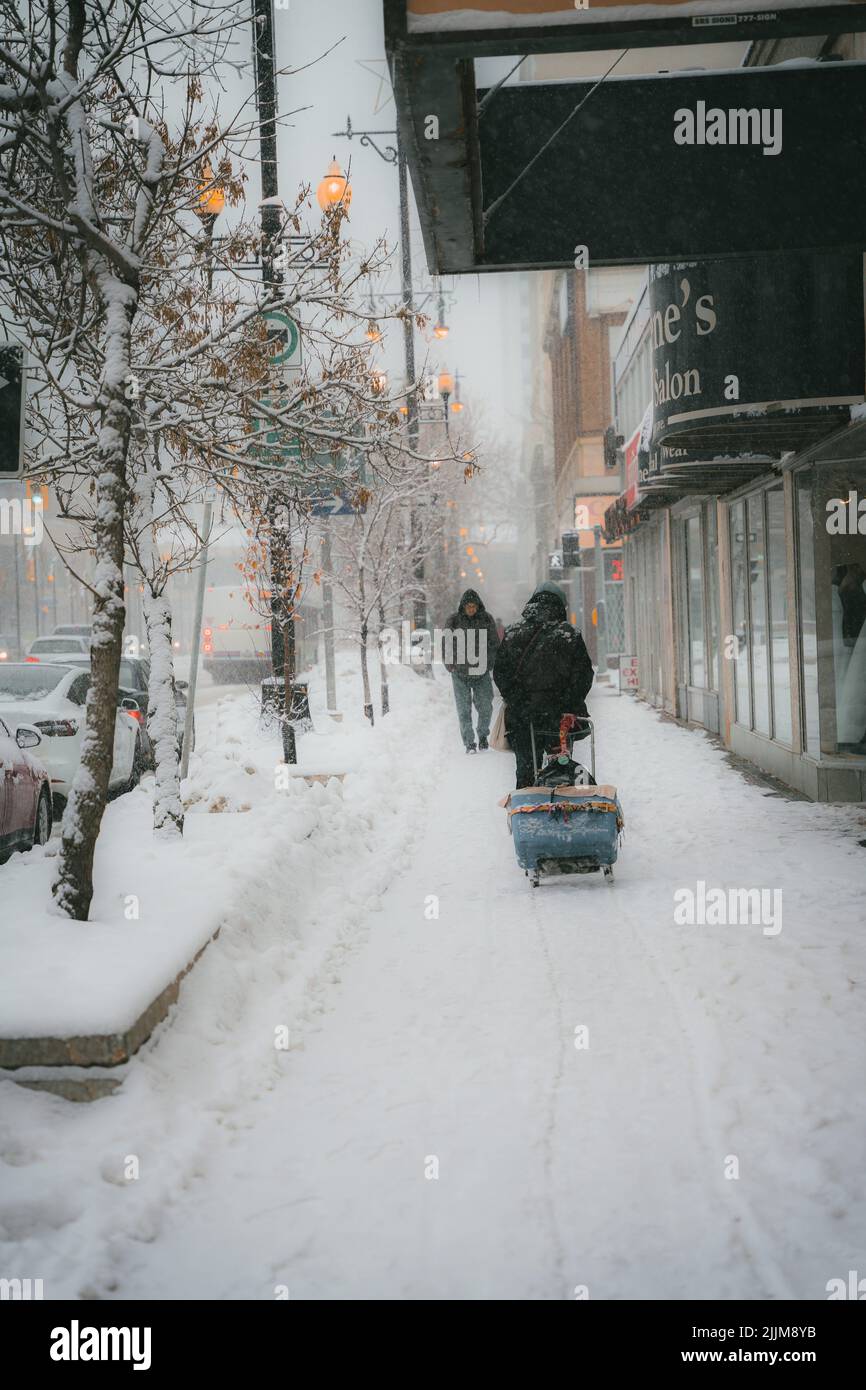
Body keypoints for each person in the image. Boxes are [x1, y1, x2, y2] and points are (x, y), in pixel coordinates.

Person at [493, 581, 594, 788]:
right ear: (560, 606)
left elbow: (500, 673)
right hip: (559, 719)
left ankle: (526, 811)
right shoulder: (569, 634)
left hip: (523, 718)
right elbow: (583, 675)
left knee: (526, 772)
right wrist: (567, 703)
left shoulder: (513, 633)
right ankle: (560, 810)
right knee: (561, 769)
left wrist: (519, 700)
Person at [443, 587, 499, 752]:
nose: (471, 610)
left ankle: (482, 735)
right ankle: (469, 742)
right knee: (463, 709)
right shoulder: (453, 621)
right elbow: (446, 643)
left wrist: (489, 663)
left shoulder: (487, 620)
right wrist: (450, 664)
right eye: (468, 607)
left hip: (481, 673)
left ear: (478, 606)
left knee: (486, 707)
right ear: (463, 606)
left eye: (474, 606)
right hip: (460, 673)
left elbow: (494, 643)